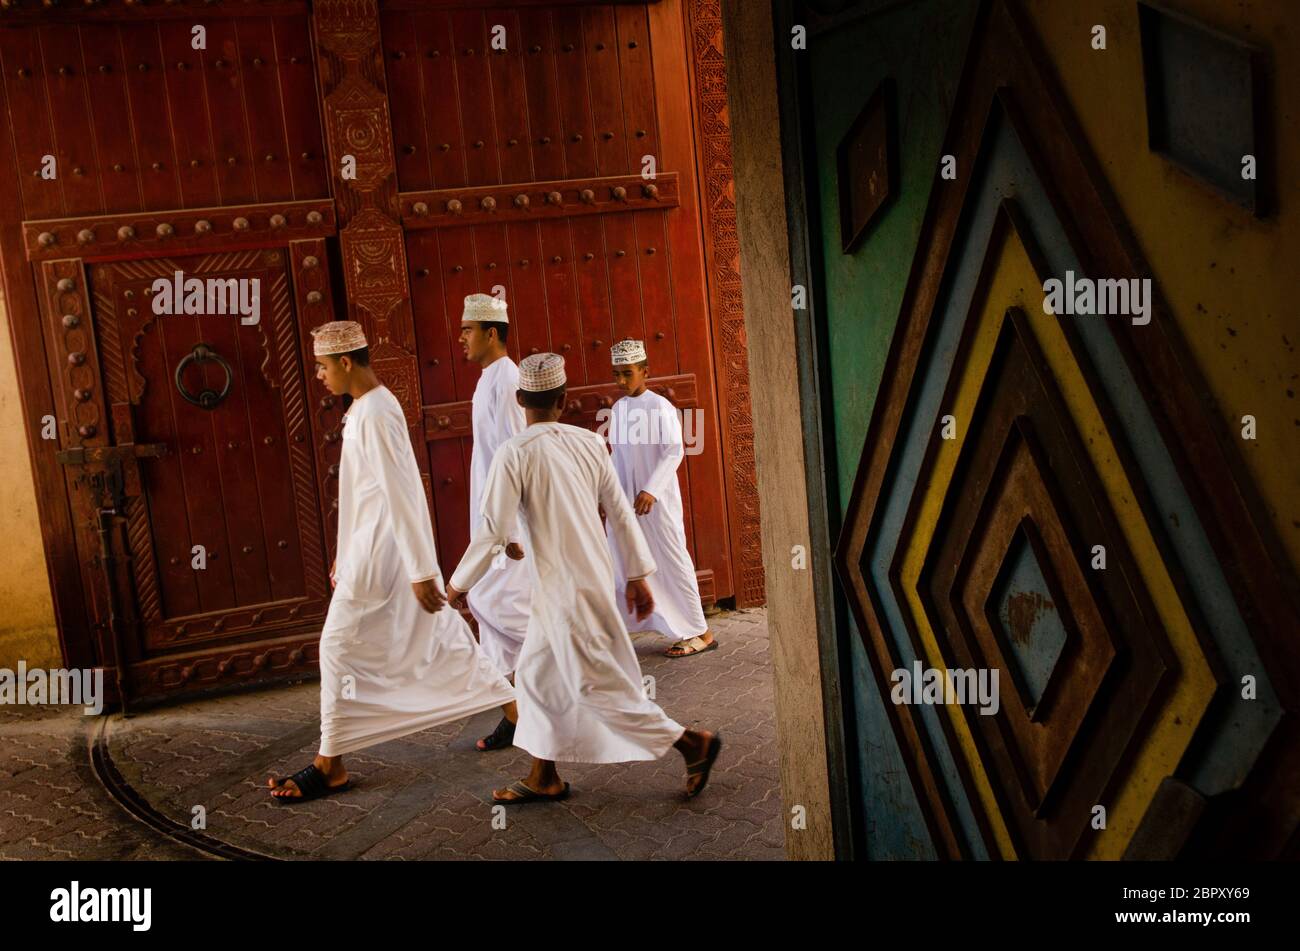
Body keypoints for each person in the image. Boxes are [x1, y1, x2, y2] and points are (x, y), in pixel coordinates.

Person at [446, 353, 722, 804]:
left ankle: (693, 743)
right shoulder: (589, 444)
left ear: (519, 400)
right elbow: (619, 511)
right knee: (536, 679)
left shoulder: (514, 452)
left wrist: (457, 585)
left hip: (563, 594)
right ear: (563, 399)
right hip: (586, 582)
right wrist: (635, 576)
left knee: (603, 690)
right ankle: (544, 777)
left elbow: (492, 529)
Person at [268, 321, 514, 802]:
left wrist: (422, 570)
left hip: (384, 557)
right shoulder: (364, 409)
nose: (318, 377)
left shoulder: (378, 411)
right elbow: (364, 494)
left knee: (336, 647)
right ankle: (520, 714)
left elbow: (403, 491)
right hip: (371, 552)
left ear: (345, 362)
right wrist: (346, 552)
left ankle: (330, 766)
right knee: (442, 638)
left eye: (321, 367)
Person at [606, 339, 716, 658]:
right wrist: (612, 495)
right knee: (631, 557)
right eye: (616, 375)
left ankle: (702, 632)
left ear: (645, 372)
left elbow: (674, 450)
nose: (622, 381)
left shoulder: (659, 407)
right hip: (629, 501)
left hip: (659, 501)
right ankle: (663, 625)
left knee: (672, 559)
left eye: (628, 373)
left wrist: (652, 489)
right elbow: (618, 456)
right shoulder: (618, 409)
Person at [459, 292, 532, 752]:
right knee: (492, 626)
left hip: (508, 531)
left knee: (492, 602)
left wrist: (512, 531)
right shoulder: (489, 378)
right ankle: (516, 716)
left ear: (491, 333)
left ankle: (573, 669)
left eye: (468, 330)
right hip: (490, 524)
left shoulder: (507, 380)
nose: (461, 338)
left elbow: (518, 452)